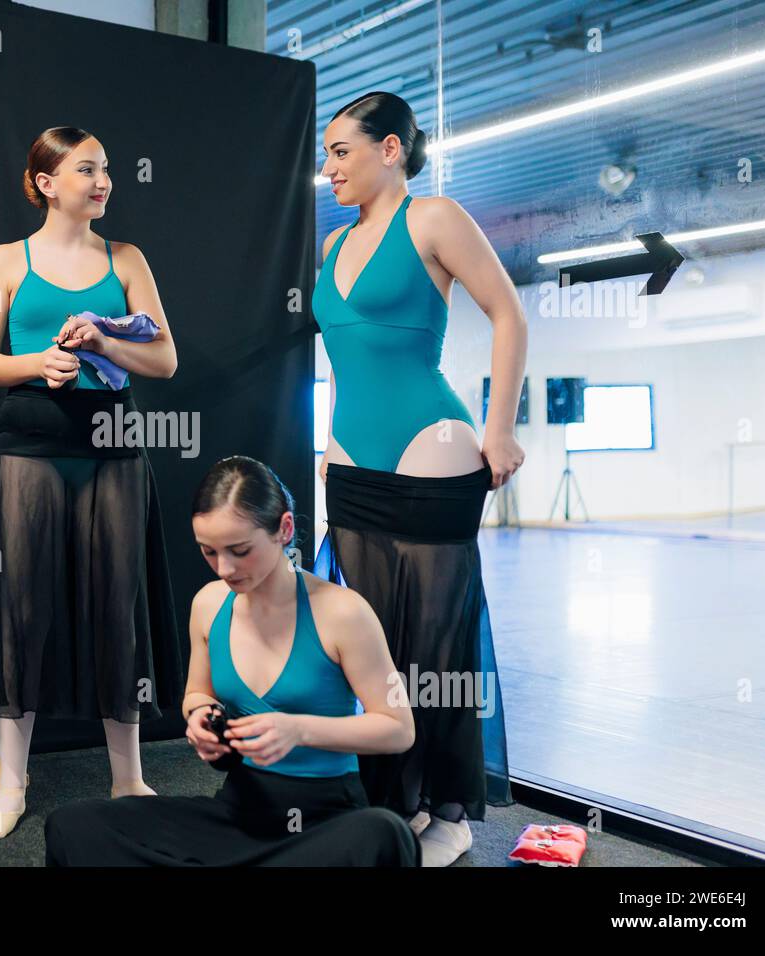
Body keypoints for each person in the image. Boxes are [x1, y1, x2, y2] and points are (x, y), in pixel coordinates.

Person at [312, 91, 527, 866]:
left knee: (435, 648)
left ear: (390, 149)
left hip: (432, 448)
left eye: (341, 151)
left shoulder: (433, 219)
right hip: (351, 460)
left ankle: (450, 809)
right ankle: (388, 798)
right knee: (369, 641)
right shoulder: (334, 248)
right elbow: (345, 362)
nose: (328, 167)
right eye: (327, 154)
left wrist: (498, 426)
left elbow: (508, 313)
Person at [0, 126, 184, 839]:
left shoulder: (128, 259)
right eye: (87, 168)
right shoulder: (5, 261)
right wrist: (39, 363)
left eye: (108, 168)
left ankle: (129, 778)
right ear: (46, 183)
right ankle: (13, 785)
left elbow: (166, 360)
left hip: (113, 448)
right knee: (22, 612)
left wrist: (103, 342)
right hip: (29, 446)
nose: (103, 179)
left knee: (119, 606)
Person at [44, 456, 420, 866]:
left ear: (285, 529)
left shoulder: (344, 613)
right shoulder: (208, 604)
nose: (224, 568)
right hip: (240, 811)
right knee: (73, 824)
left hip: (323, 822)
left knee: (385, 835)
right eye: (209, 552)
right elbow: (196, 693)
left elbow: (398, 729)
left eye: (240, 551)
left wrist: (298, 730)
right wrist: (201, 717)